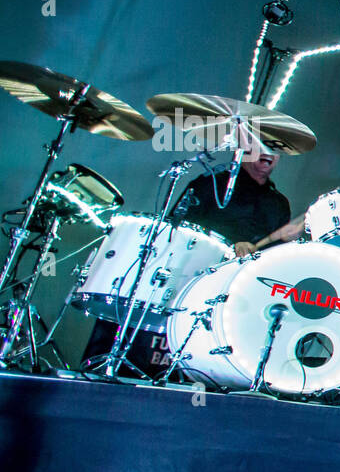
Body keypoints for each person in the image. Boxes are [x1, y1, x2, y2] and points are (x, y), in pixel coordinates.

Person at [80, 148, 301, 374]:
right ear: (242, 151)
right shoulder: (210, 185)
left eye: (275, 151)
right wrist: (230, 246)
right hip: (188, 281)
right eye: (262, 148)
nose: (269, 154)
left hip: (235, 292)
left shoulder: (278, 203)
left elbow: (274, 256)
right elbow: (176, 233)